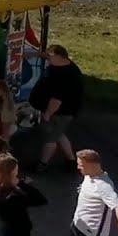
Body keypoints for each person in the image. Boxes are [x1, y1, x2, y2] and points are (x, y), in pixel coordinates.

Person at [32, 44, 83, 172]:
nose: (48, 58)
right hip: (62, 112)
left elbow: (56, 100)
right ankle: (71, 161)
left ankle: (42, 165)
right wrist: (33, 55)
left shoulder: (66, 76)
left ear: (59, 56)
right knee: (59, 134)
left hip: (60, 112)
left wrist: (47, 113)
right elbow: (46, 55)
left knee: (50, 138)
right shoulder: (62, 63)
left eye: (50, 56)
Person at [0, 154, 47, 236]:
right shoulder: (15, 196)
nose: (17, 171)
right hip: (14, 231)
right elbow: (40, 200)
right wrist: (21, 183)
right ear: (11, 172)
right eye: (16, 169)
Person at [71, 150, 118, 236]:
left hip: (90, 234)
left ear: (92, 165)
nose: (78, 167)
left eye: (81, 165)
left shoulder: (104, 186)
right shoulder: (88, 174)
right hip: (77, 225)